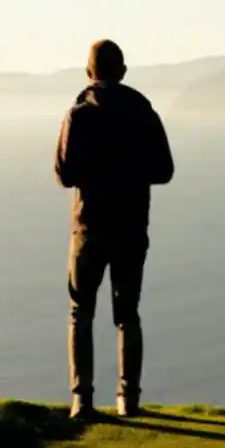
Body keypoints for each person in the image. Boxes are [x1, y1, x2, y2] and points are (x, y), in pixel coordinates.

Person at [54, 39, 174, 418]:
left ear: (89, 72)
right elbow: (164, 170)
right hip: (131, 228)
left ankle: (82, 399)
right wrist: (130, 174)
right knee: (128, 316)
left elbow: (64, 173)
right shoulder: (143, 112)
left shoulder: (79, 114)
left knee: (80, 313)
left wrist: (97, 173)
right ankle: (129, 399)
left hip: (88, 229)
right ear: (122, 71)